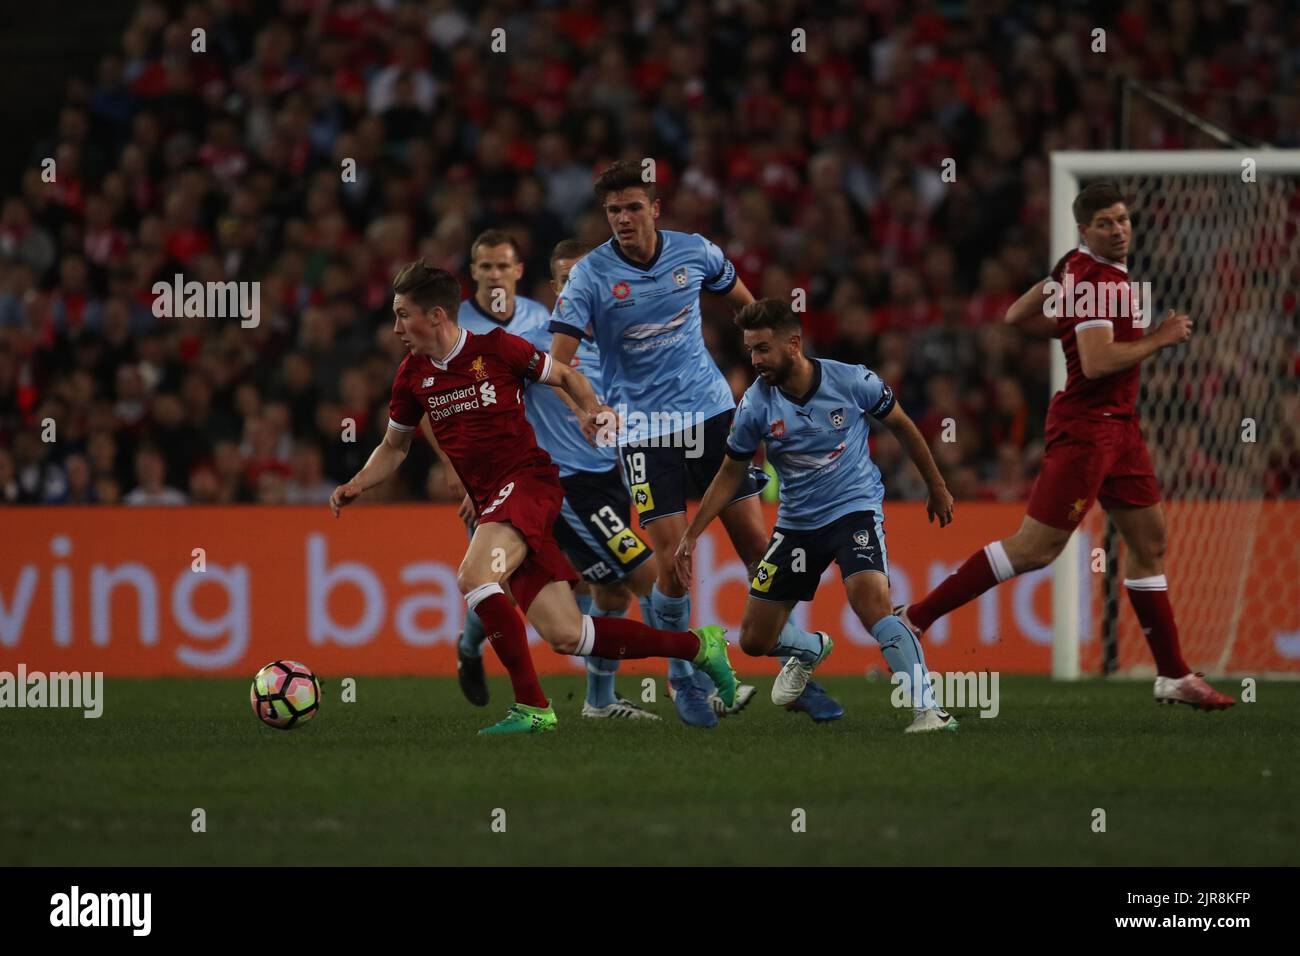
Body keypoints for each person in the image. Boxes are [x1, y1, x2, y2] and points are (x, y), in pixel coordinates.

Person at [329, 260, 738, 735]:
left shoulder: (498, 349)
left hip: (528, 482)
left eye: (404, 315)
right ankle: (699, 647)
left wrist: (592, 411)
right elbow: (394, 446)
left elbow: (565, 376)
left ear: (437, 315)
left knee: (474, 576)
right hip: (493, 502)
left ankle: (532, 705)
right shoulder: (412, 376)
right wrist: (358, 482)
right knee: (570, 635)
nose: (397, 327)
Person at [899, 183, 1234, 711]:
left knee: (1149, 542)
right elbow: (1098, 362)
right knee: (1035, 548)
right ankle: (915, 618)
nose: (1119, 229)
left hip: (1120, 427)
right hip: (1087, 429)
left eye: (1123, 220)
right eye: (1106, 223)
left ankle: (1173, 674)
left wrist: (1058, 278)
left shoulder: (1079, 268)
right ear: (1085, 229)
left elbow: (1014, 316)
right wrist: (1161, 337)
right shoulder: (1096, 279)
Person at [548, 160, 835, 727]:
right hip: (643, 433)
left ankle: (797, 662)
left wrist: (780, 369)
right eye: (613, 211)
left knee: (759, 550)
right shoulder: (590, 277)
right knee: (672, 565)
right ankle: (684, 680)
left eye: (633, 207)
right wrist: (586, 409)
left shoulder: (695, 252)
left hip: (710, 417)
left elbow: (750, 312)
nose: (623, 219)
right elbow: (555, 365)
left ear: (655, 209)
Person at [677, 299, 958, 732]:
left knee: (872, 603)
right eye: (750, 350)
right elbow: (729, 473)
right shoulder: (754, 405)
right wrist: (692, 534)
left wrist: (935, 485)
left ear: (794, 344)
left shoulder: (851, 380)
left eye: (764, 349)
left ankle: (929, 709)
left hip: (853, 509)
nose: (755, 361)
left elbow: (901, 423)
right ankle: (809, 649)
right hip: (796, 526)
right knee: (754, 640)